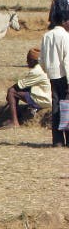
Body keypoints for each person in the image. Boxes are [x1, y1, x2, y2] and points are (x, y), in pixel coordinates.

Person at [40, 14, 69, 147]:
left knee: (56, 105)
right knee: (66, 107)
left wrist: (47, 71)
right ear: (64, 22)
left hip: (52, 75)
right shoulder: (65, 36)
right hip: (64, 76)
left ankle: (57, 140)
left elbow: (42, 59)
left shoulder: (46, 36)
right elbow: (67, 60)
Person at [4, 48, 51, 128]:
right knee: (18, 91)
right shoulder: (45, 67)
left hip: (43, 100)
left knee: (12, 91)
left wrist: (9, 93)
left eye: (28, 60)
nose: (27, 62)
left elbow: (19, 85)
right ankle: (17, 117)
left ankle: (14, 122)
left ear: (33, 61)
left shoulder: (36, 71)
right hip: (49, 97)